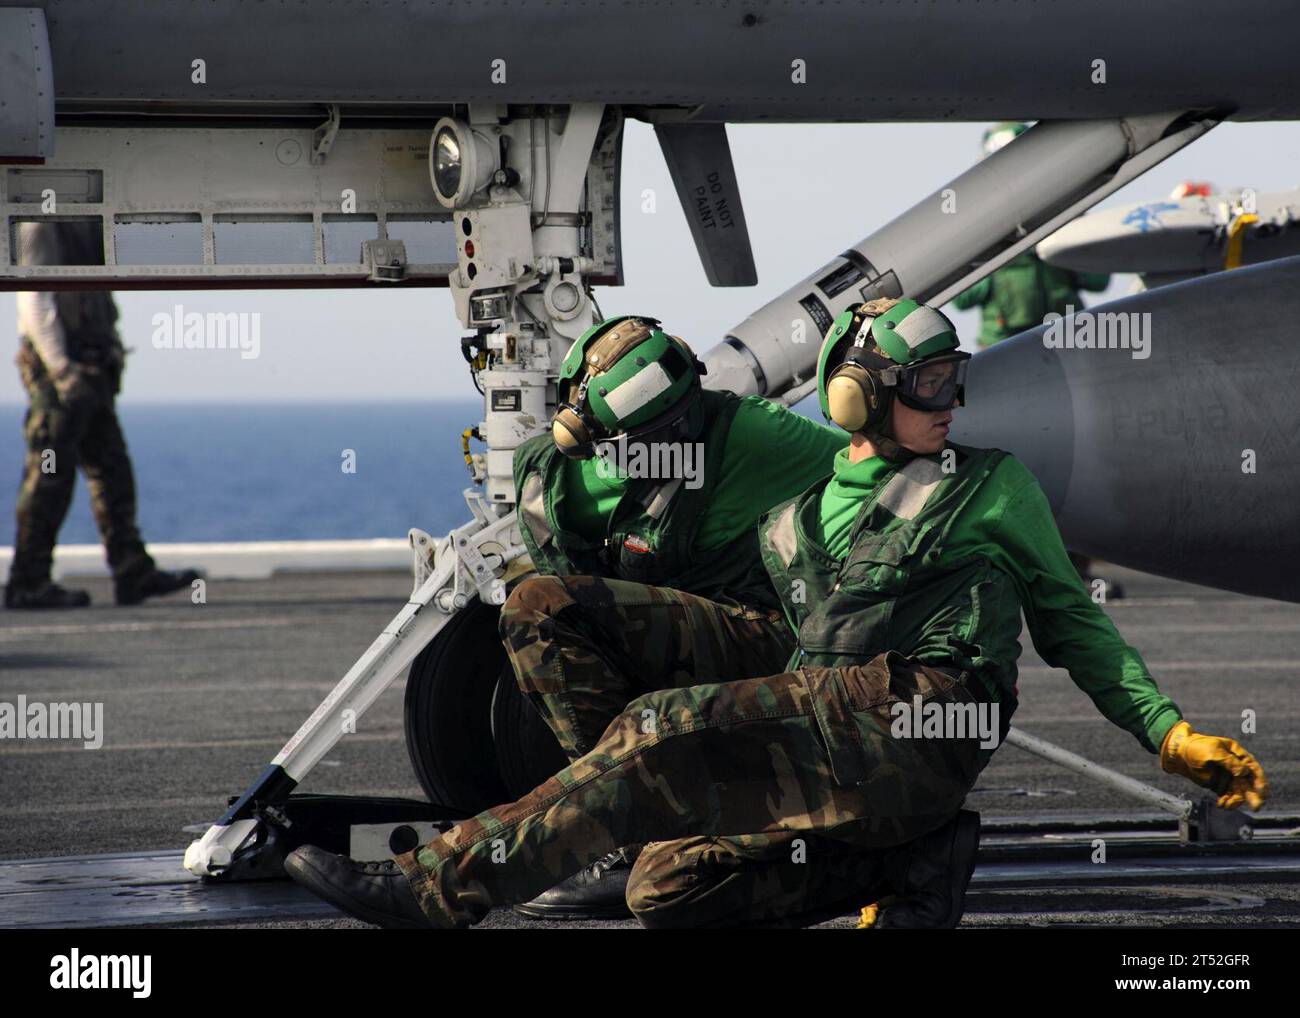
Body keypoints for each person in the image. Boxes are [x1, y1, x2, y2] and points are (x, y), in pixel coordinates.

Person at [284, 299, 1267, 930]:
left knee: (655, 729)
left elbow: (1070, 619)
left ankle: (442, 888)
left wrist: (1166, 731)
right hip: (839, 705)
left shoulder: (987, 485)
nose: (949, 400)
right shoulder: (802, 509)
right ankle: (918, 859)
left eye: (950, 379)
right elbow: (792, 639)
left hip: (922, 708)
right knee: (663, 892)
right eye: (925, 384)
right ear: (860, 395)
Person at [503, 313, 848, 917]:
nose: (674, 447)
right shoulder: (552, 481)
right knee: (539, 611)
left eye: (680, 424)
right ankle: (629, 829)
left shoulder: (752, 434)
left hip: (763, 638)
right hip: (668, 640)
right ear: (591, 442)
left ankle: (638, 835)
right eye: (650, 443)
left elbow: (879, 483)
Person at [952, 122, 1117, 594]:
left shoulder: (1067, 216)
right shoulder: (983, 228)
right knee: (1004, 459)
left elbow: (1098, 278)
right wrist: (1003, 259)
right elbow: (966, 297)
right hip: (1007, 362)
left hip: (1066, 360)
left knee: (1077, 460)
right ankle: (1002, 561)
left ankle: (1073, 567)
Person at [5, 221, 198, 609]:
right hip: (63, 375)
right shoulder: (38, 225)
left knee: (111, 473)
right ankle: (28, 581)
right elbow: (34, 297)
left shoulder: (88, 219)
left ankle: (132, 571)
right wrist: (61, 369)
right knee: (48, 478)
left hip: (87, 371)